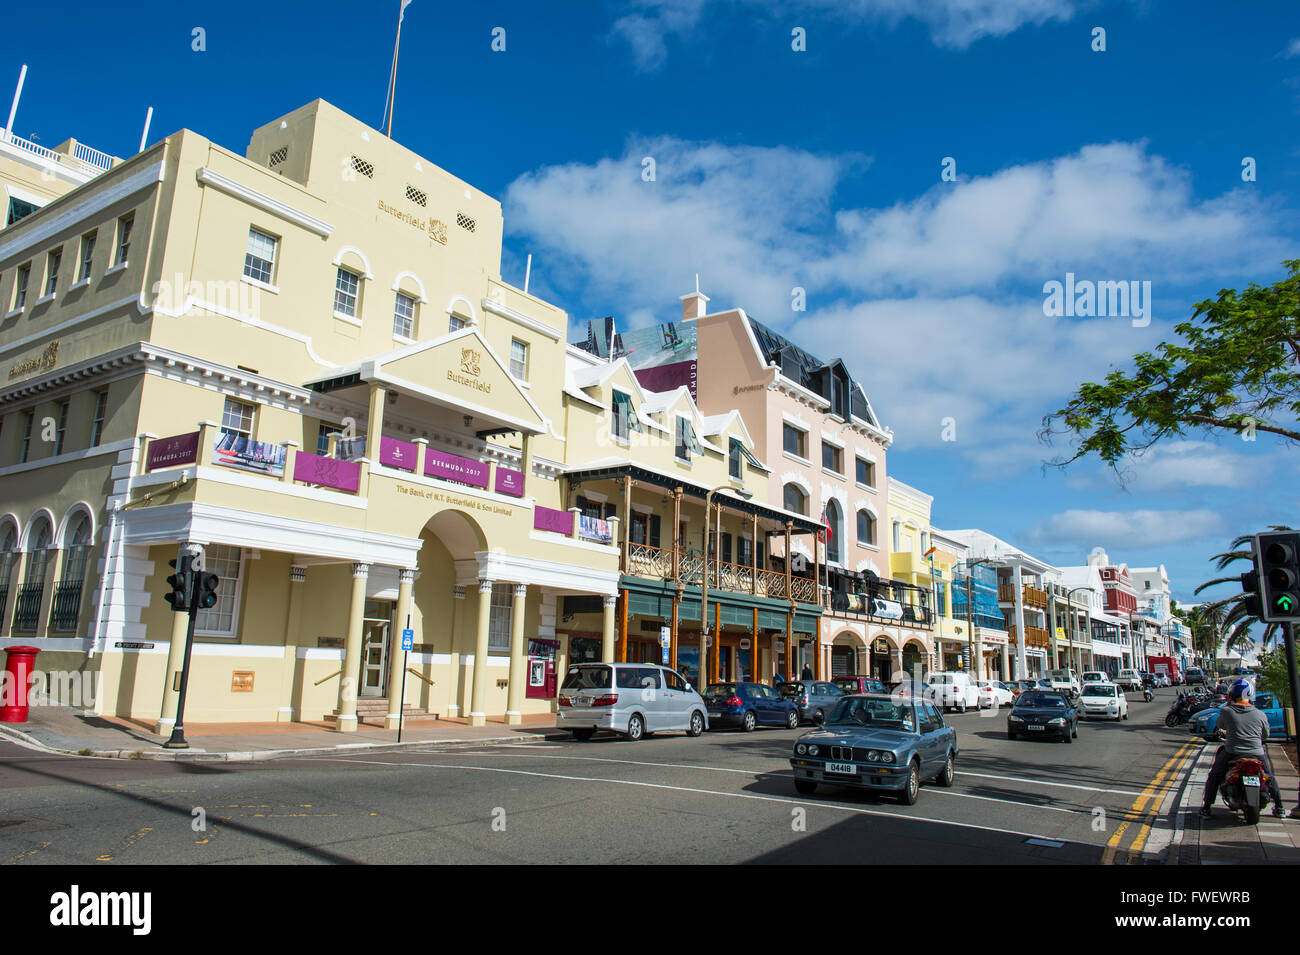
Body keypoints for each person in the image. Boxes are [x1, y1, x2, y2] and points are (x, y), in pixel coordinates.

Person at [1200, 680, 1284, 818]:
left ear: (1232, 694)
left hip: (1233, 752)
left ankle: (1206, 807)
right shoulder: (1260, 714)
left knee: (1214, 776)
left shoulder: (1227, 711)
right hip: (1257, 753)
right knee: (1269, 777)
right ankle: (1280, 807)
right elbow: (1266, 735)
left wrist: (1228, 706)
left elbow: (1220, 725)